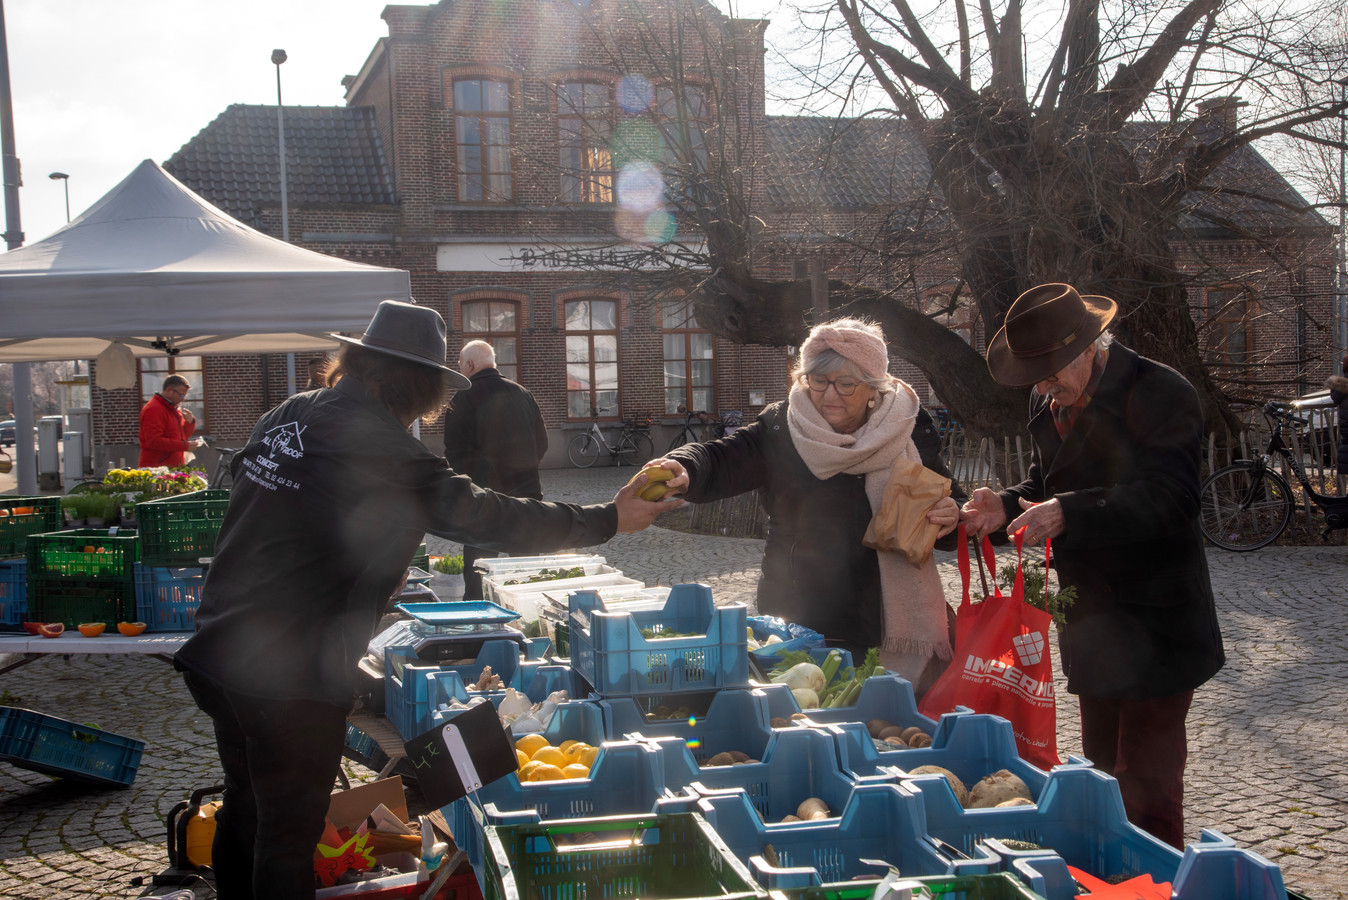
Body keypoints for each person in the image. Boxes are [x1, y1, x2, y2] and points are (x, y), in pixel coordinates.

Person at [173, 300, 679, 900]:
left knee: (248, 805)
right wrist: (607, 518)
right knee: (287, 830)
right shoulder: (386, 448)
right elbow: (490, 516)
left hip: (221, 645)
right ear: (419, 385)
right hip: (291, 668)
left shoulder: (291, 413)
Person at [960, 283, 1225, 849]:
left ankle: (1153, 883)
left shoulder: (1161, 391)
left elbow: (1173, 497)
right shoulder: (1050, 395)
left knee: (1147, 787)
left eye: (1050, 371)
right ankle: (1106, 874)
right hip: (1093, 620)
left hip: (1158, 621)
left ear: (1086, 347)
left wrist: (1071, 513)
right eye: (1034, 375)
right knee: (1102, 776)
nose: (1041, 386)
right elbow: (1047, 488)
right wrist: (1003, 506)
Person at [654, 317, 963, 690]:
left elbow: (947, 503)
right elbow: (718, 459)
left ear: (873, 388)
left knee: (888, 725)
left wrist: (953, 515)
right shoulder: (783, 428)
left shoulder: (907, 427)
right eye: (818, 381)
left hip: (887, 617)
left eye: (846, 384)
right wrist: (684, 466)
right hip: (801, 615)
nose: (829, 396)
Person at [442, 340, 549, 600]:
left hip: (482, 500)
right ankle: (529, 626)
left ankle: (478, 630)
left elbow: (455, 454)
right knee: (527, 575)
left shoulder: (462, 398)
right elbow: (542, 443)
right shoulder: (523, 393)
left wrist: (475, 481)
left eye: (460, 366)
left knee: (478, 574)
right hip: (525, 497)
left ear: (469, 364)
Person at [138, 374, 205, 467]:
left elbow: (182, 437)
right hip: (157, 467)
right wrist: (184, 446)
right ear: (169, 390)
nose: (183, 399)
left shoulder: (173, 407)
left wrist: (190, 423)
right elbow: (154, 441)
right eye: (181, 395)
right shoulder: (153, 409)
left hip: (172, 465)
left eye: (184, 396)